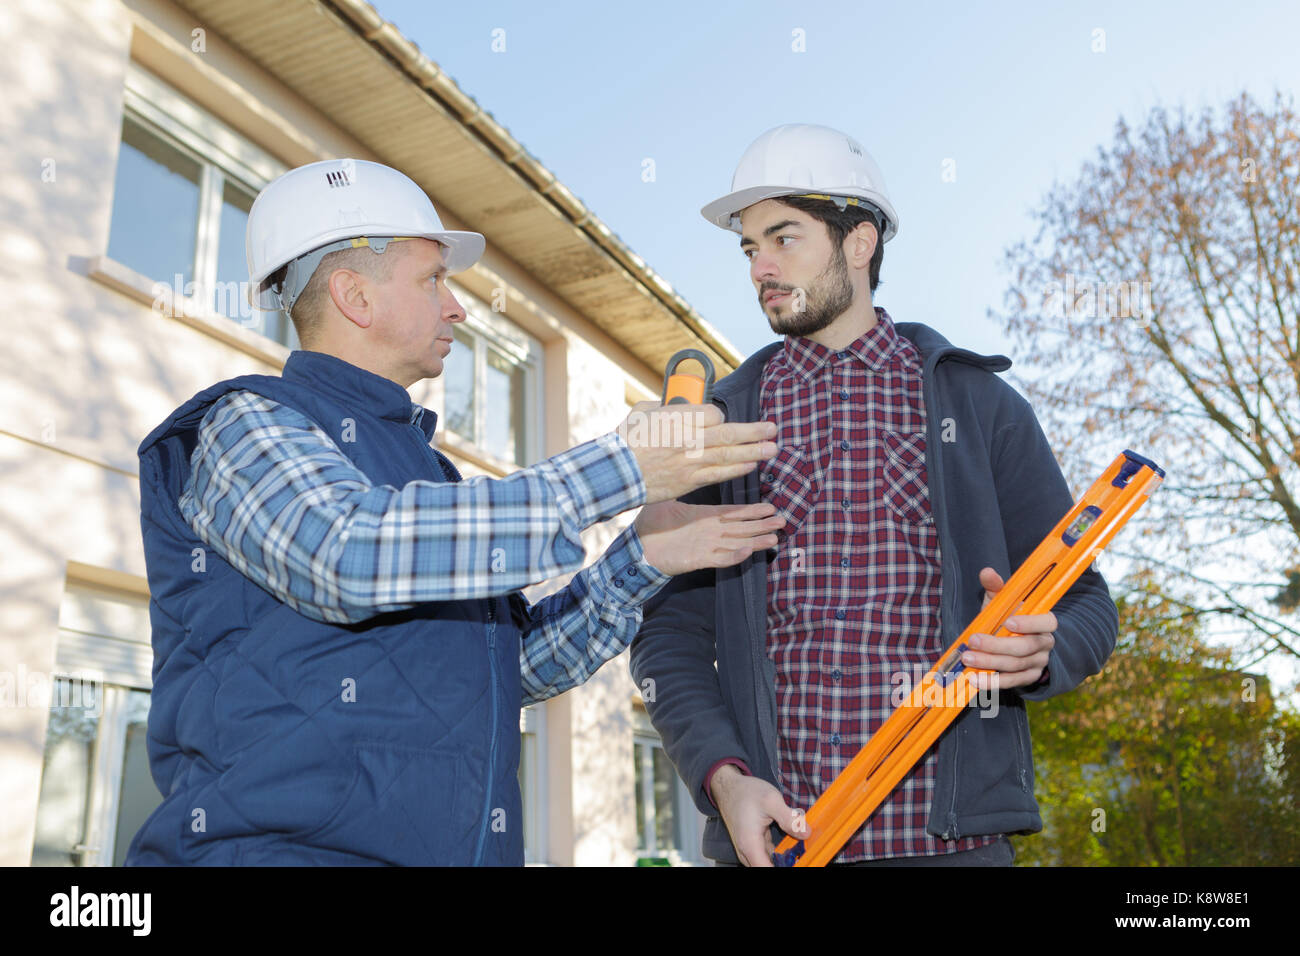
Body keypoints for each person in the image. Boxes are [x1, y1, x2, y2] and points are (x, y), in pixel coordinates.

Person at [126, 158, 782, 866]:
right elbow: (349, 554)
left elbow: (510, 668)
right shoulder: (245, 427)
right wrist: (621, 467)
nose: (457, 306)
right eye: (432, 279)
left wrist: (641, 559)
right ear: (355, 296)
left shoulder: (426, 475)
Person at [629, 124, 1120, 867]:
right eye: (749, 247)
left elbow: (1085, 601)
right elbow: (668, 636)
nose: (760, 264)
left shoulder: (978, 406)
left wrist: (1043, 651)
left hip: (951, 845)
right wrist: (723, 779)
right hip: (776, 845)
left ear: (859, 242)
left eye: (783, 237)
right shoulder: (719, 428)